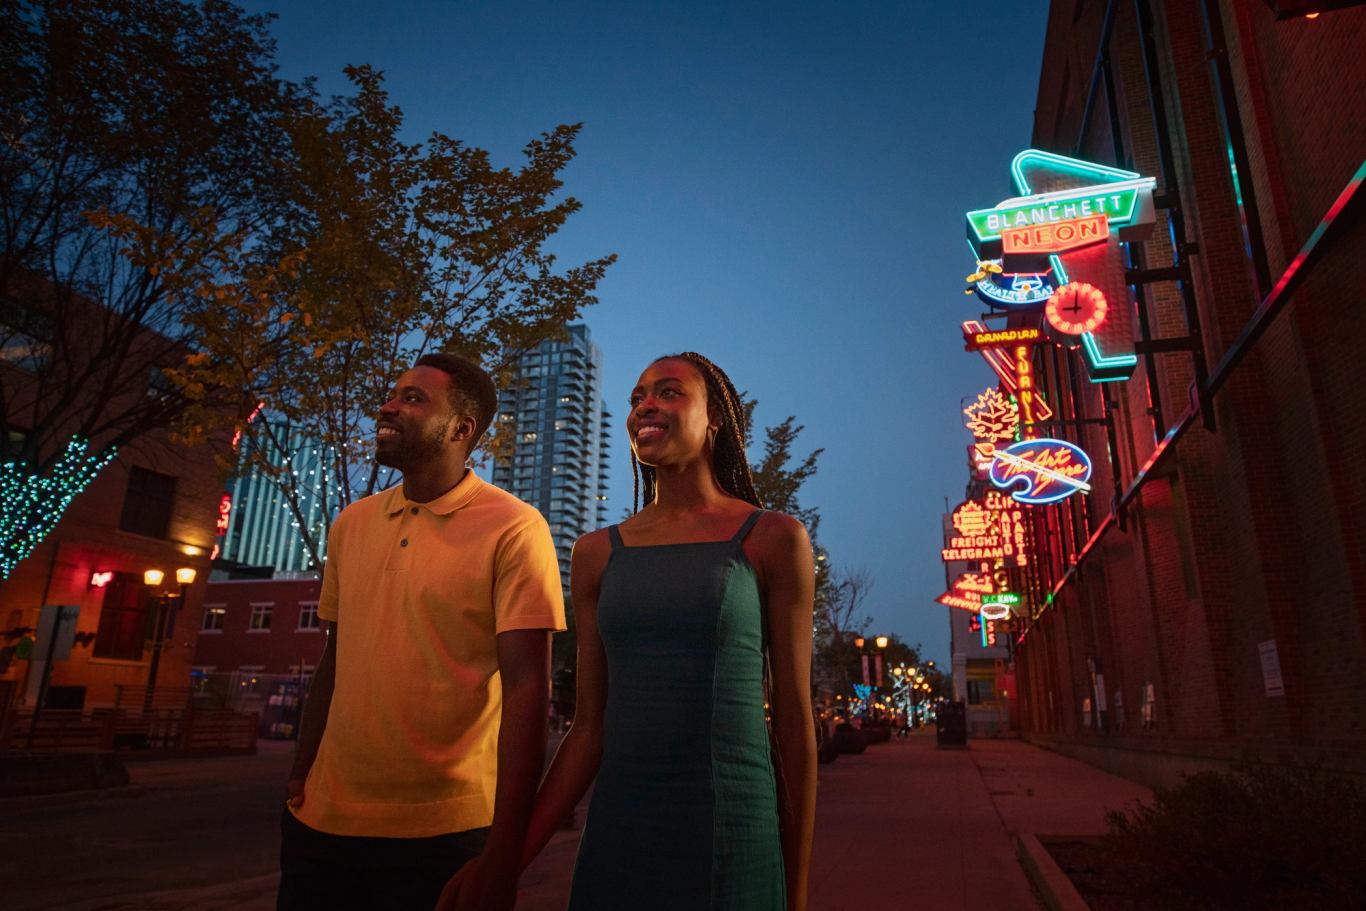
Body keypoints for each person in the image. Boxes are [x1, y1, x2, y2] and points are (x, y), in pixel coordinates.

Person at [509, 351, 818, 910]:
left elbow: (794, 723)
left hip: (733, 843)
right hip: (618, 844)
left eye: (670, 391)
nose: (646, 405)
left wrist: (794, 894)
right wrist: (502, 867)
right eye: (637, 397)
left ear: (716, 417)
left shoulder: (772, 537)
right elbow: (588, 728)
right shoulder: (595, 553)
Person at [278, 353, 566, 911]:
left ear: (462, 429)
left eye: (414, 399)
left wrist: (504, 855)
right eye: (393, 394)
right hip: (321, 825)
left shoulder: (515, 528)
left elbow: (530, 690)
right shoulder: (351, 524)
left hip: (448, 835)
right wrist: (299, 772)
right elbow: (334, 661)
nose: (388, 406)